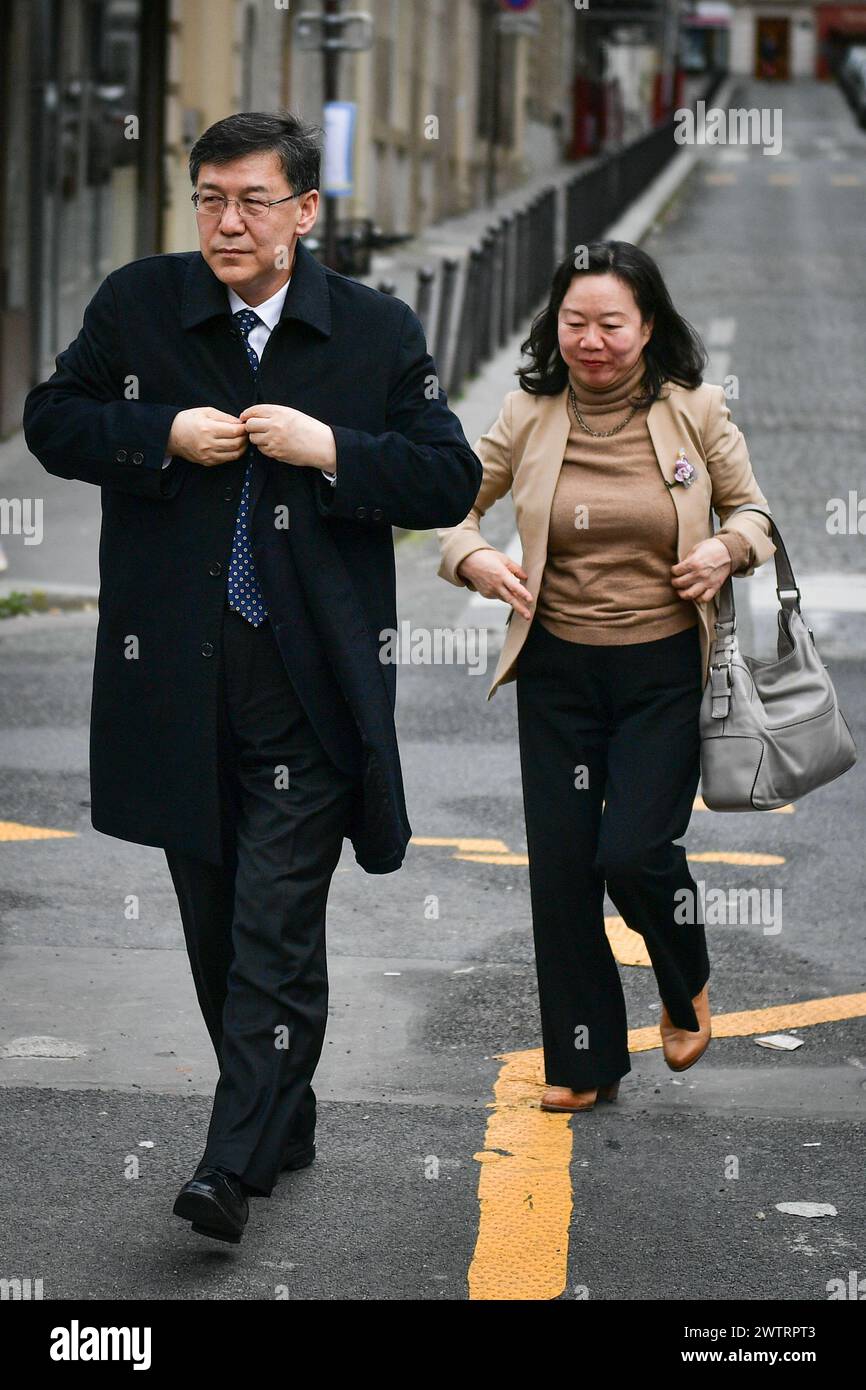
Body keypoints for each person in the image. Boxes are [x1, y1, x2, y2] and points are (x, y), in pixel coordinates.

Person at [23, 110, 481, 1244]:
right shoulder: (139, 304)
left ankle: (226, 1167)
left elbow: (446, 473)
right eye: (210, 199)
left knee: (274, 926)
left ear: (305, 212)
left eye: (252, 201)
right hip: (174, 685)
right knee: (218, 923)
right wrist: (158, 433)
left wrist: (331, 451)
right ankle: (283, 1104)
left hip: (309, 682)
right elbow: (50, 419)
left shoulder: (371, 330)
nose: (228, 223)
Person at [437, 240, 776, 1114]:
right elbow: (454, 506)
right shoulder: (526, 412)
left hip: (661, 666)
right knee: (561, 871)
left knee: (631, 850)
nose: (591, 341)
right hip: (555, 667)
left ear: (648, 325)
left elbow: (754, 511)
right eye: (574, 322)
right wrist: (473, 557)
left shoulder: (695, 410)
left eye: (611, 324)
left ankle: (684, 970)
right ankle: (585, 1061)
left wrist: (725, 547)